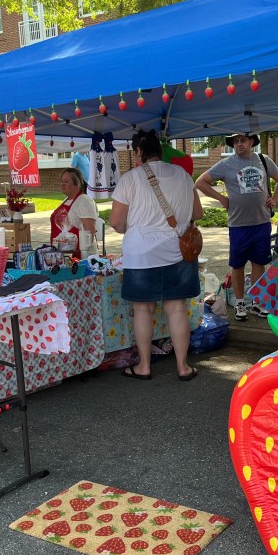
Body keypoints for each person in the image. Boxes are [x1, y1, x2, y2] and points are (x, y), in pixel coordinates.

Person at [109, 129, 203, 381]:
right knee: (176, 308)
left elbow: (116, 222)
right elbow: (199, 212)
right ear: (160, 151)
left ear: (138, 151)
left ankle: (144, 367)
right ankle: (183, 367)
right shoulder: (183, 175)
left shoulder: (130, 179)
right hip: (178, 251)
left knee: (143, 311)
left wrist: (136, 227)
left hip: (141, 255)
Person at [195, 132, 278, 320]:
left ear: (252, 141)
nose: (239, 144)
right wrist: (221, 198)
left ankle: (257, 302)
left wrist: (275, 199)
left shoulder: (263, 160)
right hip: (238, 225)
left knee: (259, 263)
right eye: (235, 141)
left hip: (261, 223)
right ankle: (240, 303)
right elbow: (200, 182)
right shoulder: (227, 164)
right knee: (237, 265)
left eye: (242, 140)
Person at [50, 167, 99, 259]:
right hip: (61, 256)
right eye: (61, 181)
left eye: (66, 181)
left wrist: (85, 254)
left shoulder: (84, 201)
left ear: (76, 183)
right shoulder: (66, 200)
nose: (62, 184)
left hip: (80, 257)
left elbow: (90, 231)